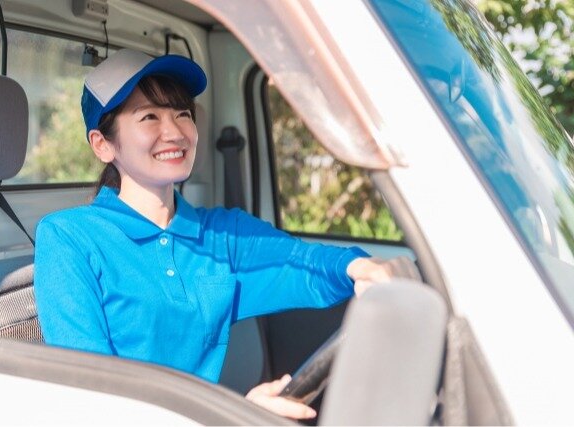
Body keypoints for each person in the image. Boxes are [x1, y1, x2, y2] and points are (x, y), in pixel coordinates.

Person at [34, 49, 418, 420]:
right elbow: (91, 398)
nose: (175, 132)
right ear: (103, 145)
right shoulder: (68, 237)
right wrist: (235, 416)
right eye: (149, 116)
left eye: (183, 114)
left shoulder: (223, 234)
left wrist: (360, 267)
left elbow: (305, 264)